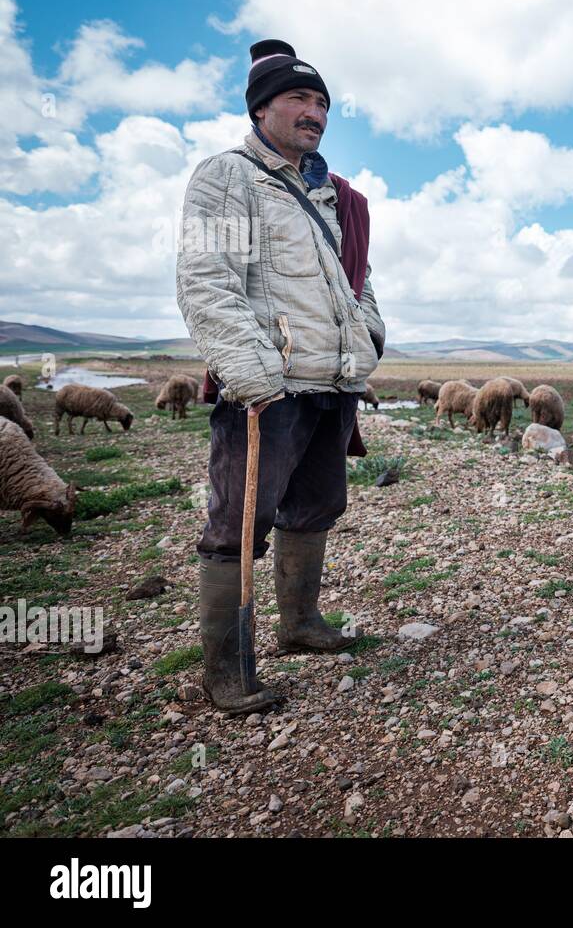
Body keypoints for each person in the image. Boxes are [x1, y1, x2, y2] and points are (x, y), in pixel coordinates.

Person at [176, 39, 385, 712]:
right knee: (239, 519)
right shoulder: (233, 179)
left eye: (322, 102)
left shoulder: (329, 195)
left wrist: (370, 339)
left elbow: (357, 281)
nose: (314, 111)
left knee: (317, 505)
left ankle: (299, 624)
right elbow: (208, 279)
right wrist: (248, 369)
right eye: (299, 97)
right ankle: (226, 671)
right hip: (268, 386)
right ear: (262, 106)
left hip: (333, 382)